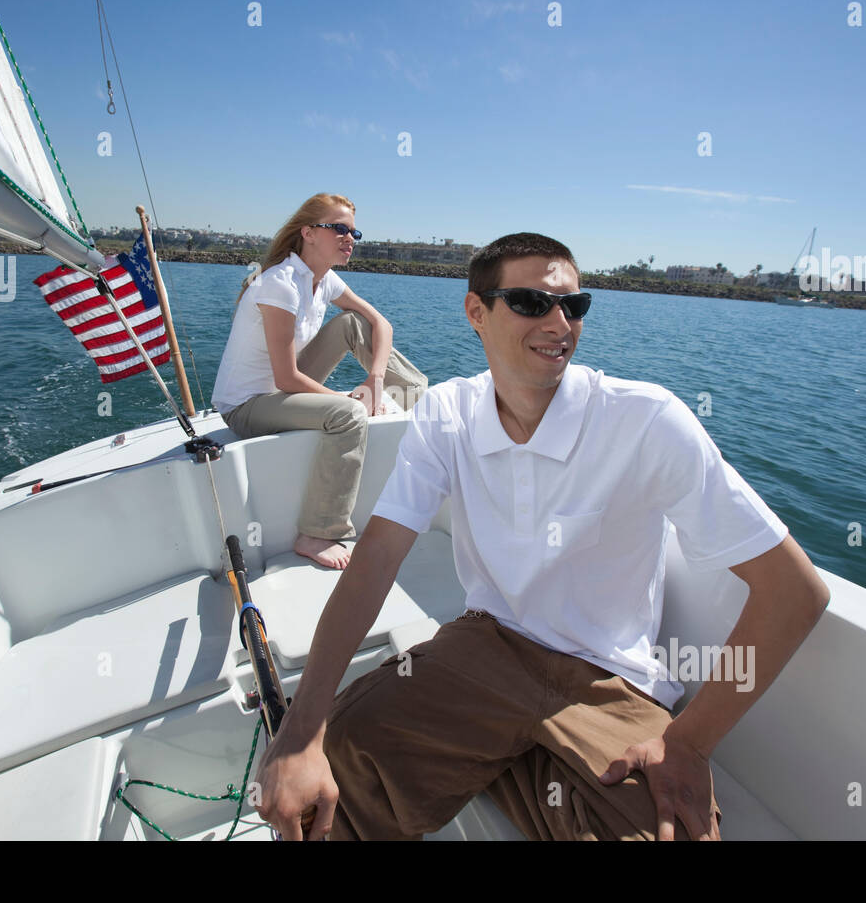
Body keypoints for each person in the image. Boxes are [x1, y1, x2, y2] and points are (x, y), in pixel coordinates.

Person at [254, 232, 831, 840]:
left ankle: (500, 755)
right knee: (335, 764)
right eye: (532, 303)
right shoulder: (445, 413)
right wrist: (302, 730)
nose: (560, 323)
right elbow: (375, 559)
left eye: (574, 306)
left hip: (606, 679)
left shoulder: (646, 420)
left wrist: (689, 743)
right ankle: (506, 752)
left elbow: (794, 592)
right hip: (486, 646)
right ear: (477, 312)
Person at [212, 194, 427, 569]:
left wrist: (376, 379)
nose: (350, 238)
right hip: (249, 405)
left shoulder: (324, 280)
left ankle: (421, 405)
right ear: (308, 233)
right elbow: (286, 377)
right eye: (340, 229)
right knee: (347, 416)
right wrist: (349, 401)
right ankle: (316, 532)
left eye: (354, 232)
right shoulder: (281, 283)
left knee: (353, 324)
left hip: (282, 389)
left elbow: (380, 324)